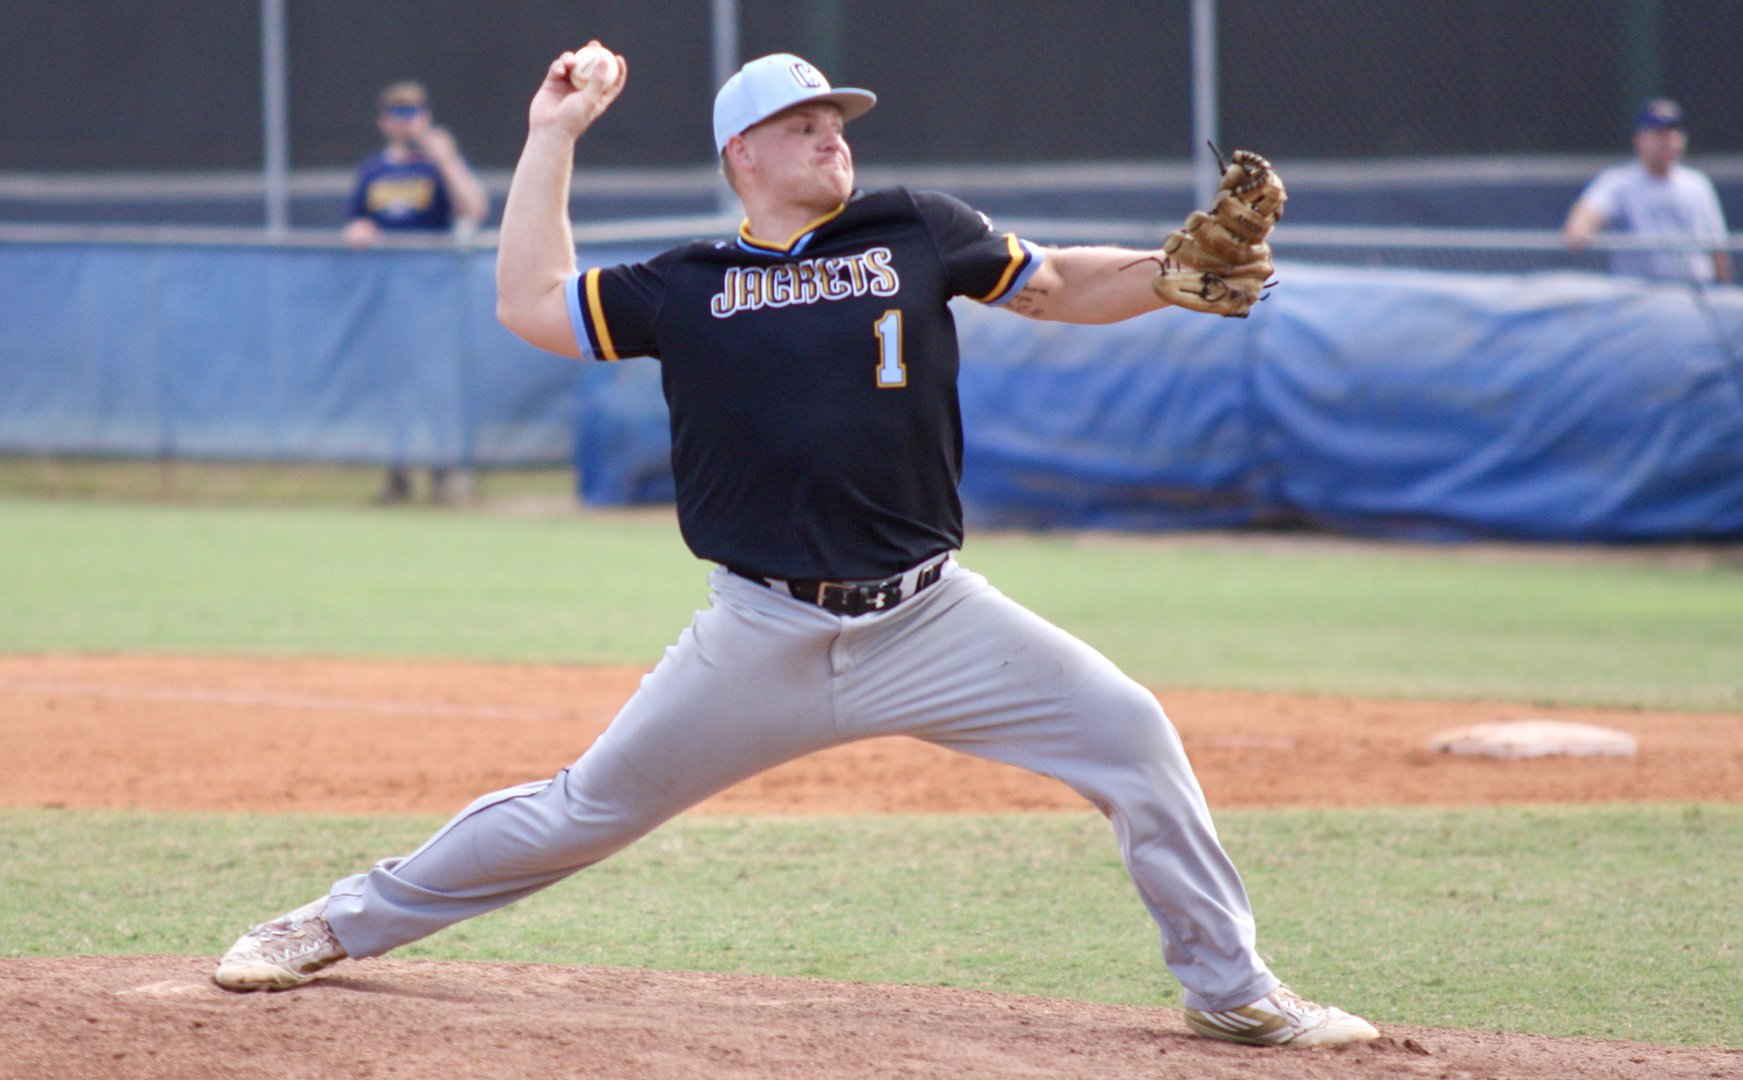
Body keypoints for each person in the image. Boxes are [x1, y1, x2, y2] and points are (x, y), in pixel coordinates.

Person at [215, 48, 1380, 1050]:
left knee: (1132, 733)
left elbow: (1060, 282)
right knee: (581, 810)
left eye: (837, 123)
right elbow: (530, 301)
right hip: (762, 630)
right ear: (743, 158)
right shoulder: (689, 285)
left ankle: (1230, 994)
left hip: (933, 620)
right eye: (803, 124)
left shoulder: (914, 228)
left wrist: (1169, 280)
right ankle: (329, 924)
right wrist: (551, 133)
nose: (833, 138)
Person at [345, 80, 493, 504]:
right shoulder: (373, 170)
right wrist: (359, 229)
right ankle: (399, 476)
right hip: (387, 301)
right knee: (395, 388)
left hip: (434, 298)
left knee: (438, 385)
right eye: (397, 113)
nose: (405, 121)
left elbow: (475, 207)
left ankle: (447, 472)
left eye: (413, 112)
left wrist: (446, 157)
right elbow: (355, 220)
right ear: (383, 122)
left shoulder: (436, 167)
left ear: (425, 118)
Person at [1563, 98, 1731, 284]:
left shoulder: (1697, 184)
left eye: (1674, 132)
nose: (1669, 139)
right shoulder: (1619, 182)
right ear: (1639, 139)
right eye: (1659, 133)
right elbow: (1586, 214)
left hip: (1694, 292)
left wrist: (1722, 289)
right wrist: (1580, 229)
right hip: (1641, 295)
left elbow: (1718, 248)